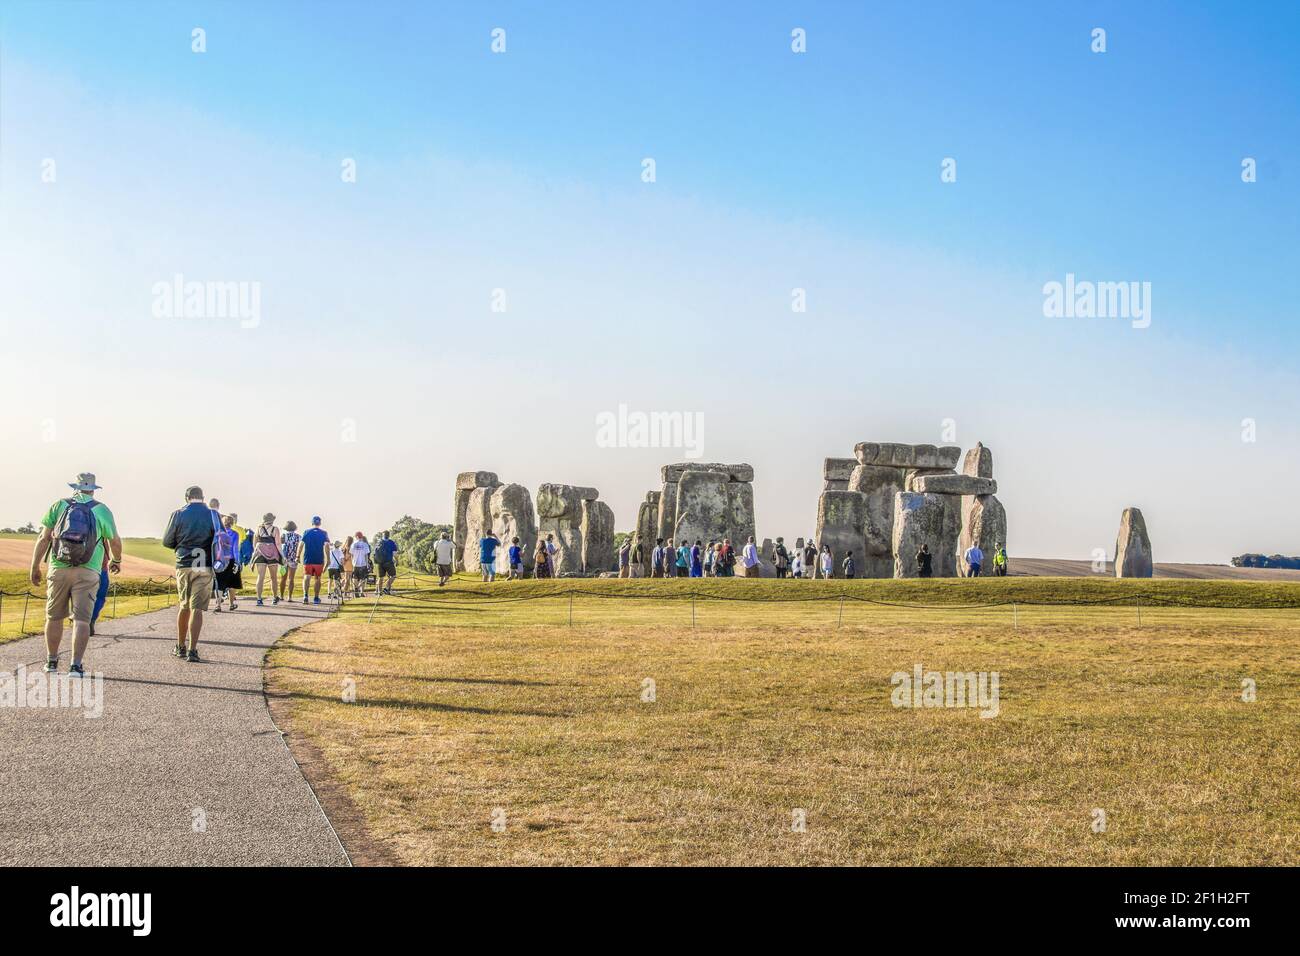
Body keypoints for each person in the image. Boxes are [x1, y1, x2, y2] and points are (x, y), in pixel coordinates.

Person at [30, 473, 122, 675]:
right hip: (88, 570)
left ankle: (52, 662)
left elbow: (44, 538)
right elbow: (114, 541)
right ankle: (75, 665)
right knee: (81, 620)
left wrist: (35, 566)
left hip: (59, 566)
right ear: (93, 489)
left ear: (76, 487)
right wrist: (116, 560)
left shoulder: (59, 505)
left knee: (54, 617)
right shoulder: (101, 510)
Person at [161, 485, 218, 662]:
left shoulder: (178, 514)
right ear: (203, 497)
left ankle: (180, 646)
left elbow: (167, 541)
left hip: (184, 562)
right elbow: (220, 539)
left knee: (184, 606)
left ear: (187, 497)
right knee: (197, 609)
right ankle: (193, 650)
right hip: (204, 563)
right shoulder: (213, 514)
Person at [251, 513, 284, 606]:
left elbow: (254, 543)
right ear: (272, 520)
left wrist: (257, 551)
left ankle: (259, 599)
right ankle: (274, 598)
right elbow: (278, 544)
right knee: (273, 577)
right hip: (272, 553)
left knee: (260, 577)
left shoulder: (258, 528)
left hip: (260, 552)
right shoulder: (275, 529)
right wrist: (282, 556)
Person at [213, 514, 242, 610]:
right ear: (232, 523)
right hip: (231, 560)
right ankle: (231, 604)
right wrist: (237, 562)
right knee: (232, 583)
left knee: (219, 583)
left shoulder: (217, 534)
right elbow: (235, 550)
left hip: (220, 561)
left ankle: (218, 605)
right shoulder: (235, 534)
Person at [300, 516, 330, 604]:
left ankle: (305, 595)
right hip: (318, 559)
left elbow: (301, 545)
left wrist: (298, 556)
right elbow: (327, 546)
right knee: (317, 578)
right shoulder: (324, 533)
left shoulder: (306, 532)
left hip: (308, 558)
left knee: (307, 577)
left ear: (312, 523)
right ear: (320, 523)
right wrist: (328, 559)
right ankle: (316, 598)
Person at [280, 520, 302, 600]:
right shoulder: (299, 536)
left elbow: (279, 545)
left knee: (283, 578)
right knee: (291, 579)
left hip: (284, 560)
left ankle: (281, 596)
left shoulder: (283, 536)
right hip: (294, 559)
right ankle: (289, 597)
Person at [350, 532, 372, 596]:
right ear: (361, 536)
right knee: (363, 578)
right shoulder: (365, 544)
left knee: (355, 578)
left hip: (355, 564)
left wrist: (352, 562)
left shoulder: (353, 544)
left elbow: (351, 555)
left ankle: (356, 591)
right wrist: (367, 564)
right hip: (363, 564)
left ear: (356, 536)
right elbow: (366, 555)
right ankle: (361, 592)